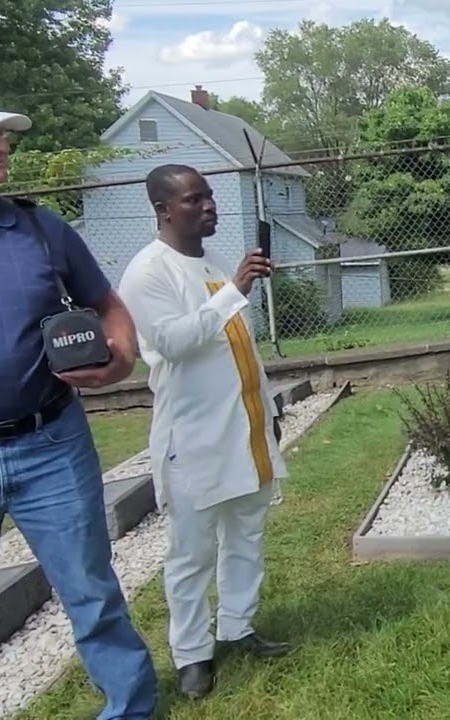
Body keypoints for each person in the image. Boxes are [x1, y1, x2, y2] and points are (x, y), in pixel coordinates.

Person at [0, 82, 158, 716]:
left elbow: (107, 305)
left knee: (90, 592)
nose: (1, 144)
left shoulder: (40, 229)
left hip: (51, 444)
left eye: (1, 133)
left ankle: (130, 708)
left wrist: (121, 356)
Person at [118, 163, 292, 699]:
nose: (209, 206)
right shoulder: (148, 273)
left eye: (209, 196)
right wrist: (235, 289)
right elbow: (174, 342)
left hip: (244, 430)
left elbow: (241, 349)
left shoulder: (212, 264)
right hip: (193, 440)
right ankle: (192, 653)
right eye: (194, 199)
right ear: (164, 210)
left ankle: (237, 625)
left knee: (246, 536)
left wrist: (267, 410)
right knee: (191, 554)